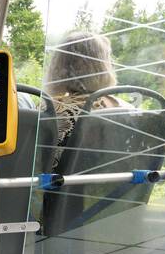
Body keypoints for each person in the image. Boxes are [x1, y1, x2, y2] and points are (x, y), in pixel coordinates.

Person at [44, 29, 124, 168]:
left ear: (59, 66)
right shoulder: (126, 108)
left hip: (60, 188)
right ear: (103, 65)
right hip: (117, 189)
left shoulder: (53, 110)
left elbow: (34, 163)